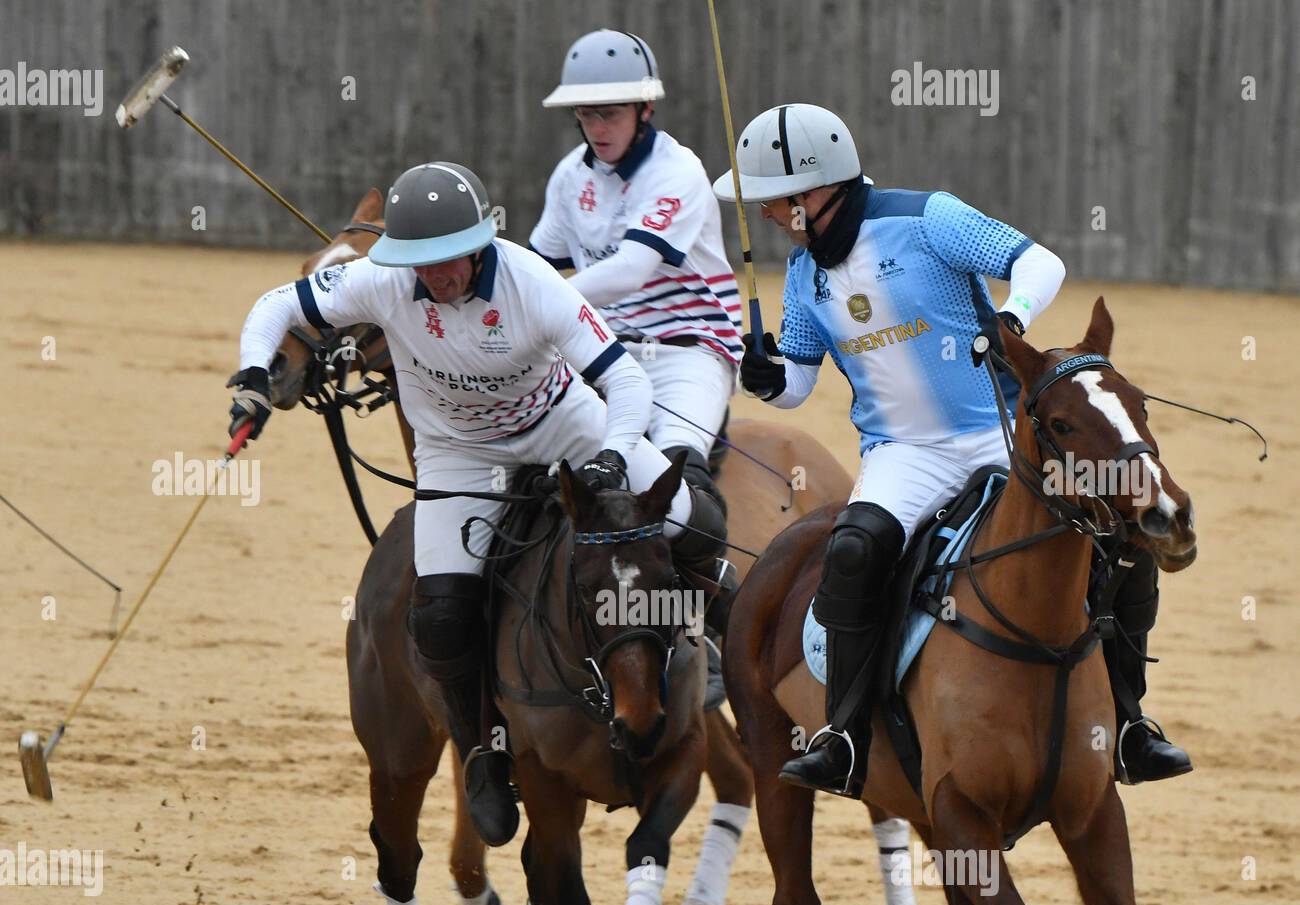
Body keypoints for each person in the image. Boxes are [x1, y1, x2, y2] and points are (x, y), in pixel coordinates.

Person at [228, 161, 728, 845]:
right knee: (438, 617)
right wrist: (254, 372)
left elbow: (627, 383)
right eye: (419, 264)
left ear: (478, 244)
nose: (435, 277)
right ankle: (483, 755)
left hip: (563, 423)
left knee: (695, 523)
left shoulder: (531, 284)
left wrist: (611, 455)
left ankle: (714, 655)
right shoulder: (381, 281)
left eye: (447, 261)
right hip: (459, 454)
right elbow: (276, 305)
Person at [714, 103, 1191, 796]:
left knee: (1115, 537)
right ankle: (845, 736)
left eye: (770, 202)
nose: (763, 215)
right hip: (902, 453)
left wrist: (1011, 317)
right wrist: (767, 377)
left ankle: (1128, 723)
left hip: (997, 432)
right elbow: (795, 383)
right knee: (853, 550)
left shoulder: (927, 219)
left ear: (813, 192)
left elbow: (1039, 262)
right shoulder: (802, 273)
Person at [531, 28, 742, 702]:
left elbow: (630, 269)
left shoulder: (676, 172)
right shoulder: (570, 178)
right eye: (588, 115)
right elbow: (539, 263)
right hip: (606, 353)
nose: (598, 127)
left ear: (645, 111)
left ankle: (712, 633)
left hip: (689, 352)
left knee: (681, 495)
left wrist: (536, 299)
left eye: (612, 113)